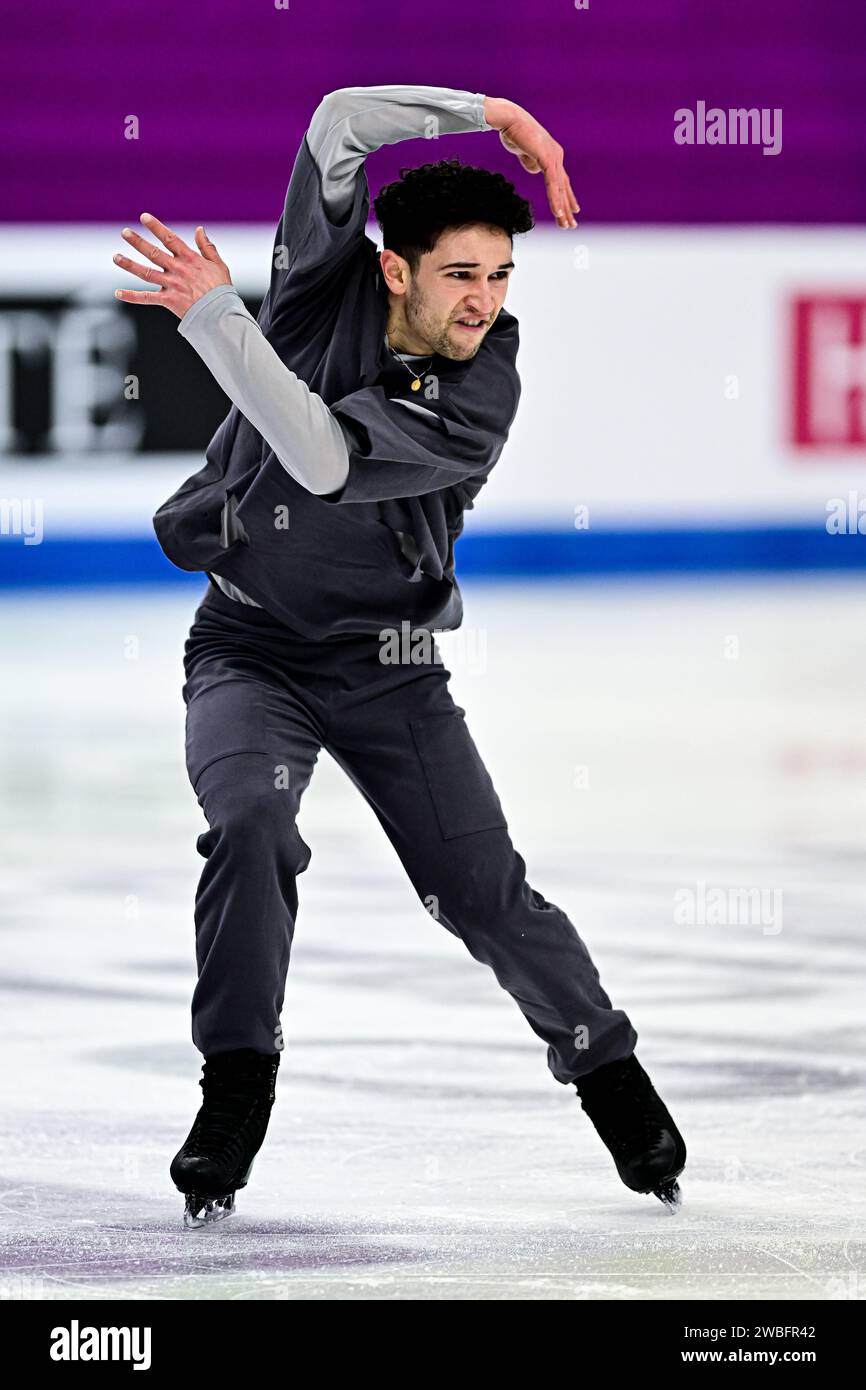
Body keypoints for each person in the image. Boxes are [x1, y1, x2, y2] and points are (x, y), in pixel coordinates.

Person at [113, 84, 685, 1226]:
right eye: (460, 274)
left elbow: (321, 458)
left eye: (499, 277)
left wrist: (215, 318)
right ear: (395, 269)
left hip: (390, 663)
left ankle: (606, 1066)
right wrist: (495, 111)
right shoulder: (326, 282)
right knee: (252, 825)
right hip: (249, 648)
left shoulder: (482, 386)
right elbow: (335, 124)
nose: (481, 300)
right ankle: (234, 1088)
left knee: (479, 892)